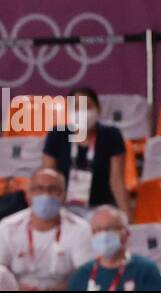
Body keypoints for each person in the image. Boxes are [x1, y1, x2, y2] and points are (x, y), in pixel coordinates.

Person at [0, 168, 93, 290]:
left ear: (63, 196)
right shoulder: (7, 227)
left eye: (53, 189)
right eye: (38, 189)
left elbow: (85, 272)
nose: (45, 194)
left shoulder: (80, 228)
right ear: (28, 196)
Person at [42, 87, 130, 216]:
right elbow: (49, 176)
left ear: (98, 110)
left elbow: (116, 180)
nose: (82, 112)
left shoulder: (111, 135)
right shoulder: (57, 134)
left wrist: (126, 218)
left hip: (100, 208)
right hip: (64, 208)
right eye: (76, 107)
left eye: (87, 106)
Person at [66, 206, 161, 291]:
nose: (103, 235)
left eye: (110, 229)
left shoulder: (145, 270)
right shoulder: (82, 275)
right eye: (97, 230)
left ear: (126, 233)